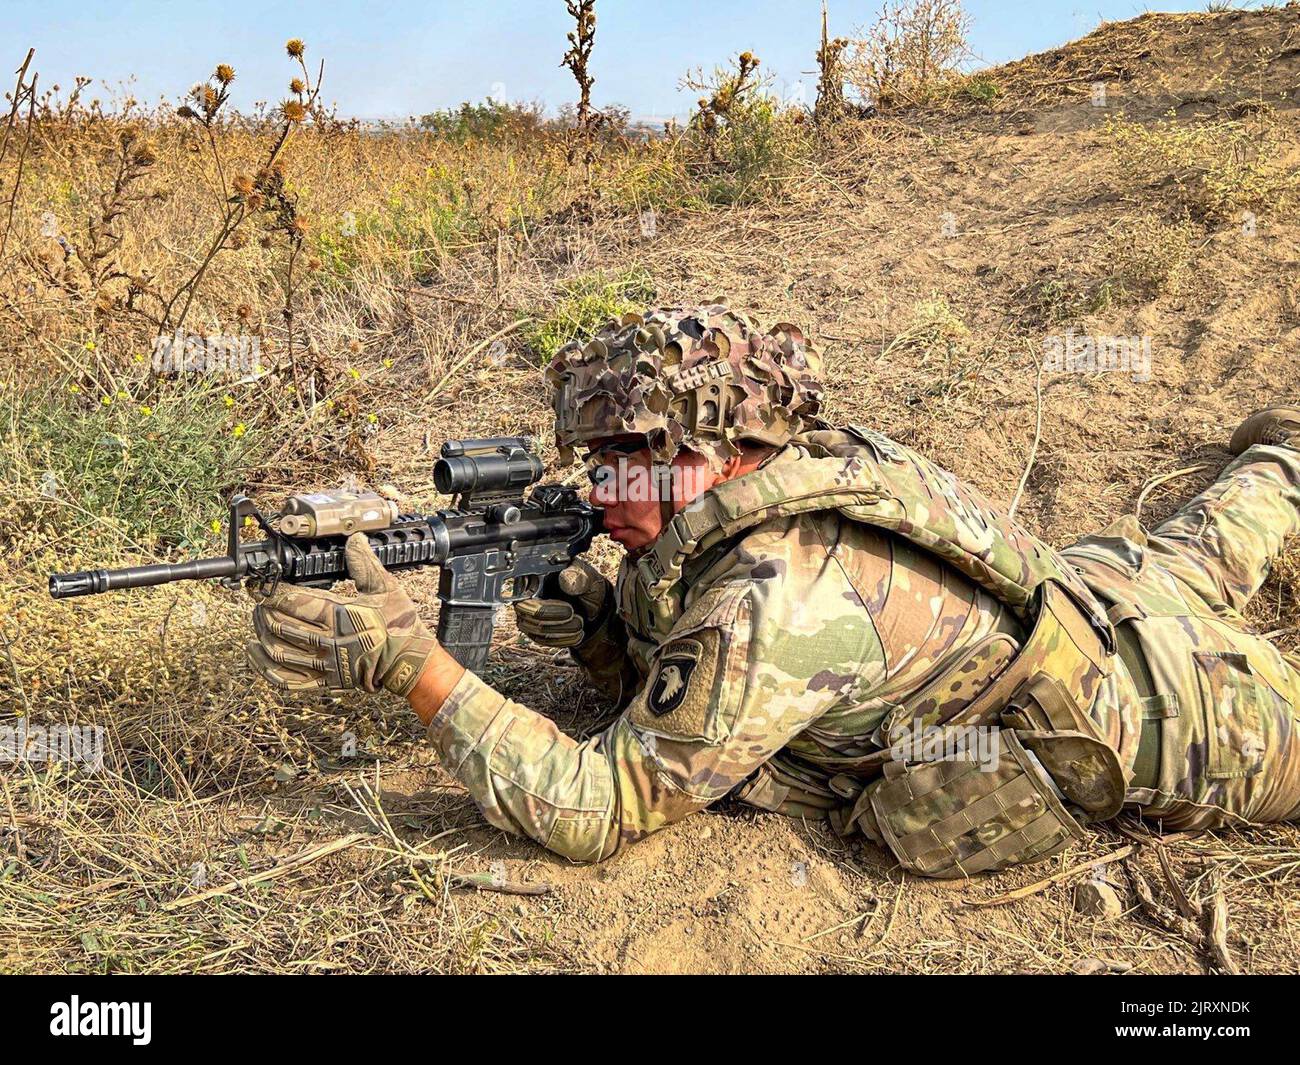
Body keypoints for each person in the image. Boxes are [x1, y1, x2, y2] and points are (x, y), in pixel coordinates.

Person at [245, 303, 1300, 877]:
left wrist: (418, 671)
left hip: (1173, 714)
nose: (600, 482)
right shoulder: (789, 470)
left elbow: (596, 809)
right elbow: (685, 641)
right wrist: (606, 629)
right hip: (1083, 587)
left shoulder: (769, 601)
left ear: (721, 449)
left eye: (633, 454)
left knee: (1203, 600)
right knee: (1199, 547)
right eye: (596, 452)